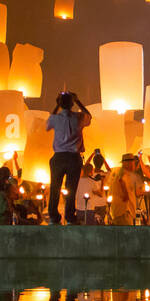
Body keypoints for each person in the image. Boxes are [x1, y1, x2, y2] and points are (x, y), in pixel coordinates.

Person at [45, 91, 91, 225]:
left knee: (55, 187)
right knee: (71, 188)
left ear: (60, 103)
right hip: (73, 157)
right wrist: (78, 101)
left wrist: (56, 105)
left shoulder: (55, 118)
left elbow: (48, 123)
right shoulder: (79, 117)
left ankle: (53, 216)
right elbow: (89, 115)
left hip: (58, 157)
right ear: (72, 104)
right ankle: (70, 217)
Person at [108, 153, 141, 225]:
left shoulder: (121, 173)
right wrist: (125, 193)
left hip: (120, 211)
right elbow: (122, 182)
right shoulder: (124, 175)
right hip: (124, 211)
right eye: (133, 162)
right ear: (127, 163)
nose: (134, 165)